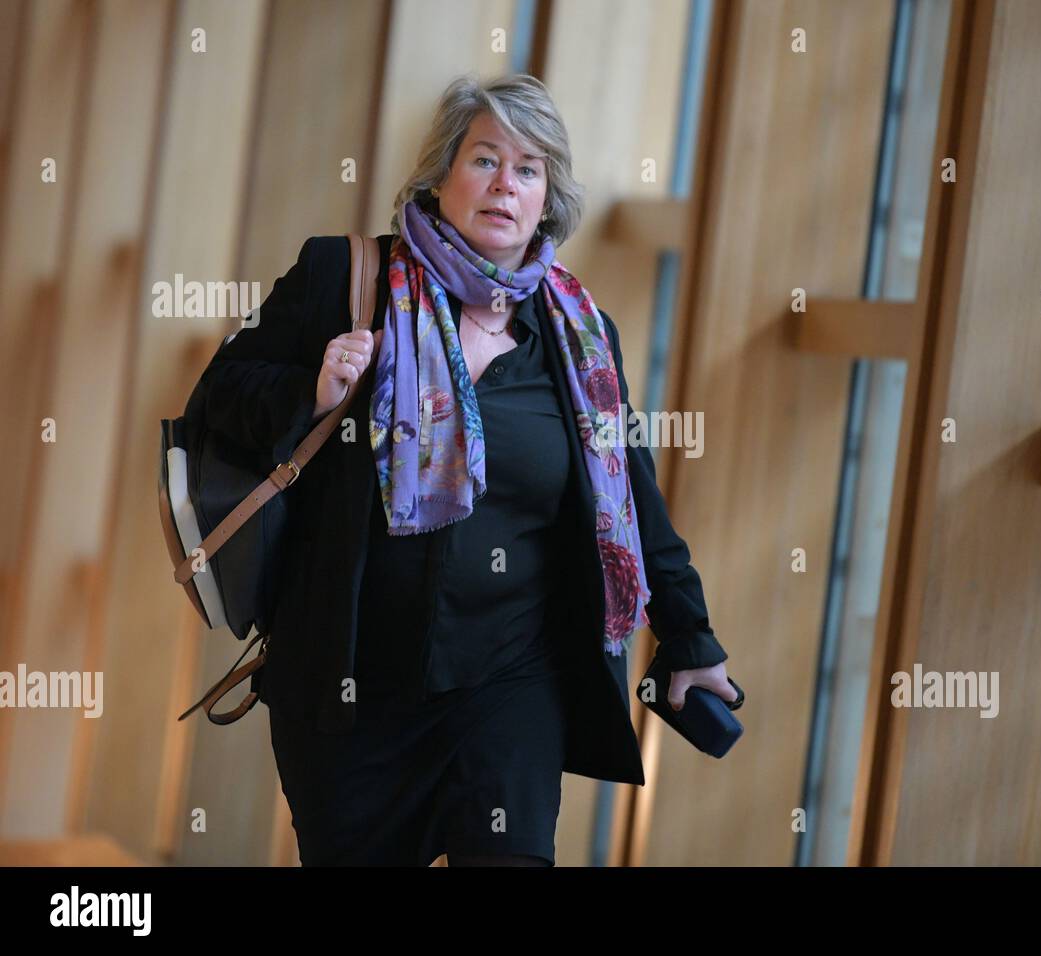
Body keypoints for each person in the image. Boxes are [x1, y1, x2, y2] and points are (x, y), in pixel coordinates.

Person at [201, 73, 738, 867]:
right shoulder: (343, 280)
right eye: (485, 160)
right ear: (441, 175)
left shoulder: (580, 333)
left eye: (528, 170)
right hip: (354, 697)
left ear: (547, 198)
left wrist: (690, 636)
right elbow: (216, 398)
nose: (504, 186)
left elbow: (632, 499)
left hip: (510, 686)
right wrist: (310, 391)